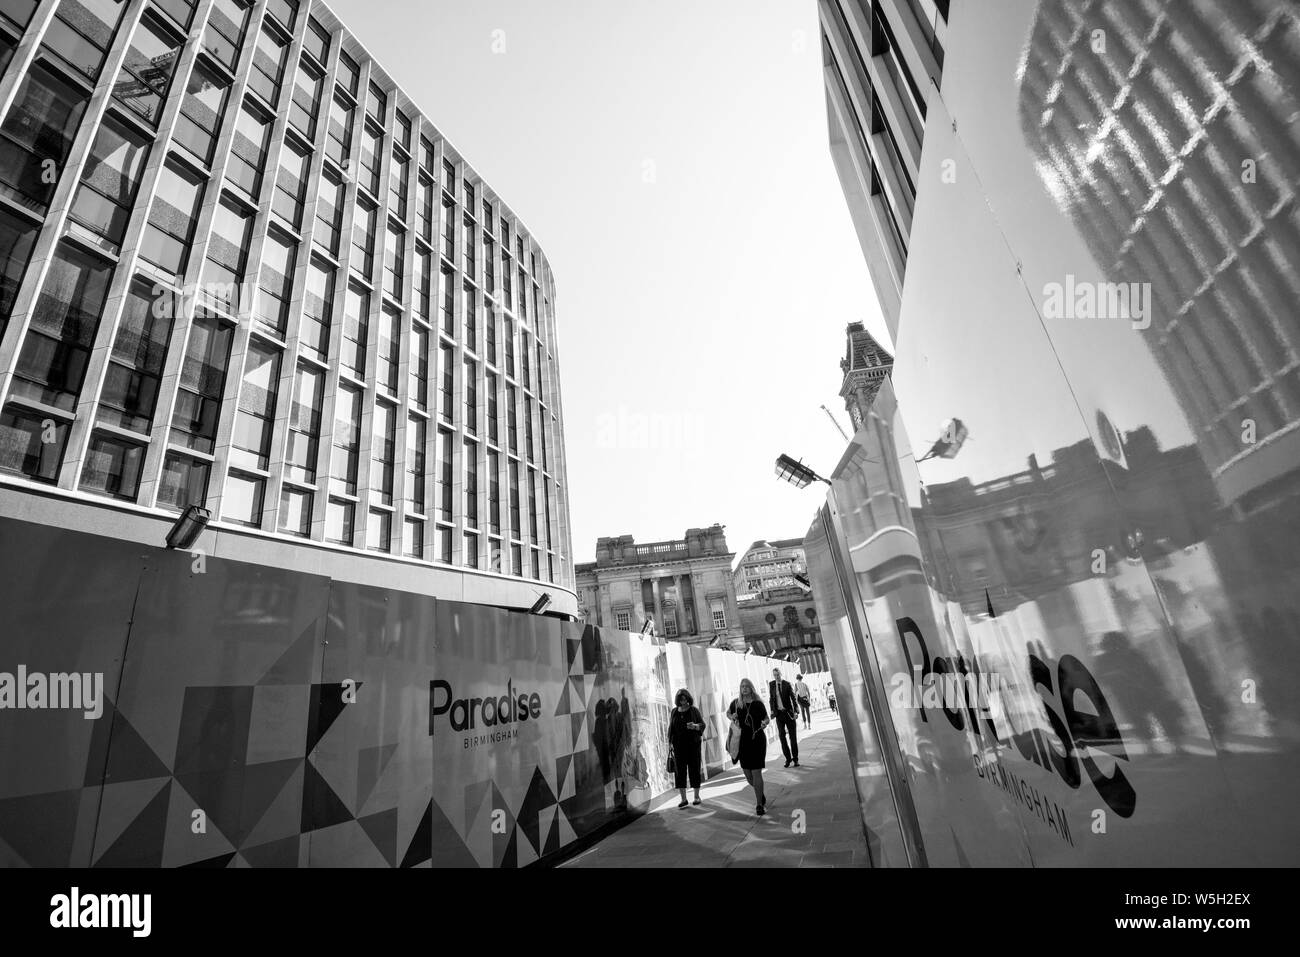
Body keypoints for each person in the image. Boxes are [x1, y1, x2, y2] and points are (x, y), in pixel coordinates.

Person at [727, 678, 770, 815]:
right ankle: (760, 794)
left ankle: (759, 805)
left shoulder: (758, 704)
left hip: (757, 739)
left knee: (756, 772)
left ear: (751, 688)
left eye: (746, 686)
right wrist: (731, 716)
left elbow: (766, 718)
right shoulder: (736, 703)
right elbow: (728, 713)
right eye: (742, 686)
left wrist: (764, 723)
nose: (744, 688)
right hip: (743, 742)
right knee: (748, 775)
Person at [667, 688, 705, 807]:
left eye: (685, 698)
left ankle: (696, 796)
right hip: (678, 747)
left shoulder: (694, 710)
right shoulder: (674, 711)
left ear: (688, 698)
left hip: (693, 745)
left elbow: (702, 725)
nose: (683, 700)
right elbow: (671, 728)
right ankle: (683, 799)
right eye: (680, 698)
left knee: (694, 769)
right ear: (678, 700)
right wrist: (670, 743)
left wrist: (694, 726)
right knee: (680, 773)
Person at [769, 668, 800, 767]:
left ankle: (795, 759)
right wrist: (772, 710)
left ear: (781, 674)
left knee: (793, 737)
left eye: (778, 674)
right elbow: (771, 699)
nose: (777, 676)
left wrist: (796, 711)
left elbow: (793, 698)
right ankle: (788, 759)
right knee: (782, 737)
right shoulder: (772, 685)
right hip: (779, 715)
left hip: (789, 713)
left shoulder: (787, 684)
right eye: (775, 675)